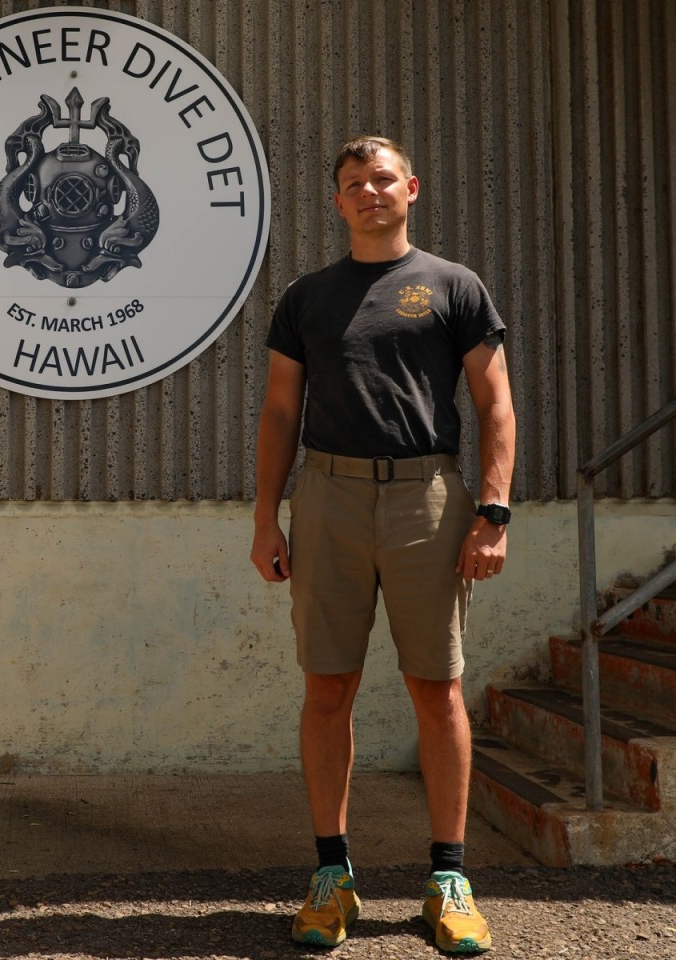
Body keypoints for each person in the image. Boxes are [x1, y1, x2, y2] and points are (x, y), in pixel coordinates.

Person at [250, 135, 515, 954]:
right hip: (326, 498)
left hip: (427, 500)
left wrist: (495, 511)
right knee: (327, 687)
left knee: (436, 688)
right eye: (353, 183)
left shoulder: (452, 287)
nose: (369, 192)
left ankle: (448, 880)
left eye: (382, 179)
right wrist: (267, 518)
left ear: (412, 188)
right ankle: (333, 877)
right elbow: (280, 414)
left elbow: (494, 404)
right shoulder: (306, 297)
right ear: (337, 201)